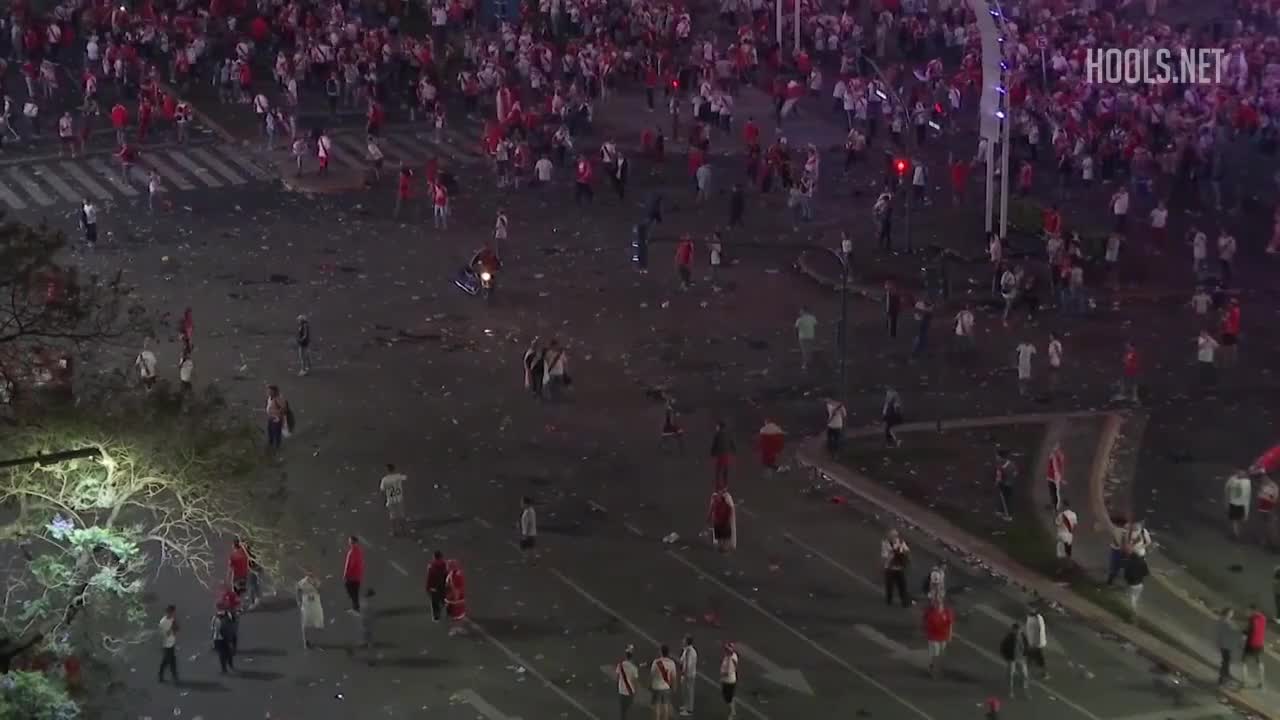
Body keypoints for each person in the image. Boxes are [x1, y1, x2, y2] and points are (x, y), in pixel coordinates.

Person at [923, 599, 954, 679]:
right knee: (936, 653)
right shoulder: (930, 612)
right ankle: (934, 671)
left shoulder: (947, 611)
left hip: (943, 636)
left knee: (941, 653)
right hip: (933, 636)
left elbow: (950, 624)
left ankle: (934, 667)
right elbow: (925, 621)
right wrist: (926, 631)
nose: (937, 606)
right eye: (936, 604)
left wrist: (950, 635)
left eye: (939, 604)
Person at [881, 529, 911, 607]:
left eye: (894, 536)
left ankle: (904, 601)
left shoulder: (900, 542)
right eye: (892, 536)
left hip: (899, 568)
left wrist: (901, 553)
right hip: (890, 568)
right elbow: (884, 556)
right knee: (889, 585)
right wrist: (892, 554)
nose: (893, 537)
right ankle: (889, 599)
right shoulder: (885, 543)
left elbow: (907, 551)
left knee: (902, 585)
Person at [1000, 622, 1030, 698]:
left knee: (1024, 675)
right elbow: (1003, 647)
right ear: (1013, 630)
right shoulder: (1009, 638)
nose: (1018, 631)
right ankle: (1010, 691)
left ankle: (1024, 690)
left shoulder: (1023, 637)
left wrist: (1025, 655)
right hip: (1012, 658)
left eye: (1019, 630)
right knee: (1010, 675)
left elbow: (1027, 646)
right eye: (1016, 630)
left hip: (1021, 659)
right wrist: (1007, 657)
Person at [296, 571, 324, 650]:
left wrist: (315, 584)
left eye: (311, 573)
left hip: (316, 604)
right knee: (305, 624)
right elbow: (298, 591)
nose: (310, 574)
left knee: (318, 624)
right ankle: (306, 641)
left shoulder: (317, 581)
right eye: (308, 573)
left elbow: (320, 591)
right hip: (306, 605)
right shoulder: (301, 582)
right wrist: (299, 601)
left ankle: (316, 642)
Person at [649, 644, 678, 720]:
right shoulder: (672, 663)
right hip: (666, 687)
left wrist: (650, 684)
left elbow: (652, 675)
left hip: (656, 687)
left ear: (661, 652)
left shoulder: (656, 662)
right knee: (666, 706)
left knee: (657, 706)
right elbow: (673, 677)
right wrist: (674, 687)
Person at [1241, 604, 1267, 689]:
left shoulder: (1252, 619)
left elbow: (1248, 630)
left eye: (1249, 610)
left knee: (1244, 662)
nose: (1248, 612)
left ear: (1253, 610)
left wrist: (1242, 641)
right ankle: (1261, 682)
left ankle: (1244, 682)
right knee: (1259, 663)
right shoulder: (1264, 618)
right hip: (1259, 644)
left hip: (1251, 643)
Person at [380, 464, 407, 536]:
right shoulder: (398, 476)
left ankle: (394, 531)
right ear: (394, 469)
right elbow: (405, 477)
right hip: (399, 498)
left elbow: (382, 490)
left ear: (387, 470)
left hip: (391, 500)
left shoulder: (384, 479)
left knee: (392, 516)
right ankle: (403, 530)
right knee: (401, 515)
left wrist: (384, 500)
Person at [707, 489, 737, 553]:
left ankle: (724, 547)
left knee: (724, 536)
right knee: (721, 536)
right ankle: (722, 546)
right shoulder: (717, 500)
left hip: (722, 522)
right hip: (719, 522)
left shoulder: (725, 503)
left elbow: (729, 513)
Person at [1225, 471, 1252, 540]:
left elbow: (1247, 495)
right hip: (1234, 502)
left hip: (1242, 503)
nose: (1242, 474)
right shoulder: (1232, 479)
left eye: (1243, 473)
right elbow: (1227, 488)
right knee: (1235, 520)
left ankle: (1239, 534)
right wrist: (1228, 499)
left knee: (1241, 520)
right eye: (1240, 472)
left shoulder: (1247, 482)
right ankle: (1236, 535)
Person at [1024, 607, 1049, 680]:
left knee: (1031, 659)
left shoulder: (1031, 621)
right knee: (1038, 660)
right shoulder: (1036, 620)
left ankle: (1026, 673)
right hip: (1036, 644)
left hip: (1033, 644)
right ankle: (1044, 673)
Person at [157, 605, 180, 683]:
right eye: (173, 612)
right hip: (166, 644)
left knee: (169, 660)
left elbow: (177, 629)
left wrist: (175, 625)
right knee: (168, 661)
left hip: (171, 643)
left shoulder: (172, 619)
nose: (174, 614)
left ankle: (165, 675)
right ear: (168, 612)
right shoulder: (163, 622)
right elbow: (163, 635)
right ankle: (172, 676)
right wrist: (171, 628)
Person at [617, 645, 640, 718]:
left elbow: (618, 677)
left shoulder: (620, 665)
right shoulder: (634, 668)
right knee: (629, 709)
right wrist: (636, 691)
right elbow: (635, 681)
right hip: (630, 691)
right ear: (632, 657)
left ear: (625, 656)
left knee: (623, 711)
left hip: (621, 690)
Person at [1216, 607, 1237, 687]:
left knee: (1226, 662)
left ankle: (1223, 678)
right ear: (1227, 613)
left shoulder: (1225, 621)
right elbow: (1230, 631)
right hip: (1225, 645)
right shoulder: (1225, 621)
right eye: (1231, 613)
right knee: (1226, 662)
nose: (1232, 614)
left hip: (1226, 645)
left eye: (1232, 613)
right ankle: (1224, 678)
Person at [211, 607, 236, 673]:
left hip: (220, 638)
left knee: (224, 653)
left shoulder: (215, 618)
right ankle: (228, 666)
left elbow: (213, 630)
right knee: (226, 653)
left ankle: (225, 667)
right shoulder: (226, 618)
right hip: (222, 638)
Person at [343, 536, 364, 612]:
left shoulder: (353, 551)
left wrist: (346, 574)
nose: (349, 543)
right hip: (357, 575)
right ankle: (356, 607)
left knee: (349, 588)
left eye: (350, 541)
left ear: (354, 542)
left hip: (352, 575)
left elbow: (351, 564)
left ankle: (355, 606)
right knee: (355, 591)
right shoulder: (358, 551)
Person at [445, 559, 467, 632]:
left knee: (457, 615)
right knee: (453, 615)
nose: (447, 567)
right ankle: (455, 627)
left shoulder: (456, 576)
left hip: (455, 600)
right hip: (452, 598)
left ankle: (457, 628)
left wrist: (455, 600)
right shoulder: (452, 574)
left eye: (448, 565)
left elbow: (457, 589)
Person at [677, 636, 697, 716]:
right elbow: (682, 660)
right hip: (685, 674)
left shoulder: (691, 652)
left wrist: (684, 674)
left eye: (684, 640)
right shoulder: (686, 650)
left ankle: (689, 710)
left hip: (689, 675)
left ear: (687, 642)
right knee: (684, 691)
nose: (682, 641)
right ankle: (686, 706)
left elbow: (689, 665)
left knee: (689, 692)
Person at [426, 551, 448, 622]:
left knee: (434, 602)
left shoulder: (431, 565)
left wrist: (428, 587)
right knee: (444, 599)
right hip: (443, 586)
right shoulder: (445, 564)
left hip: (434, 586)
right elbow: (447, 574)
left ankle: (436, 616)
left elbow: (430, 577)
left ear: (434, 557)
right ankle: (447, 611)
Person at [719, 642, 739, 720]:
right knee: (730, 696)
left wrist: (721, 676)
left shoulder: (730, 660)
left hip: (728, 681)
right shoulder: (733, 656)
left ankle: (732, 712)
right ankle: (733, 710)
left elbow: (727, 672)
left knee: (727, 698)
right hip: (731, 680)